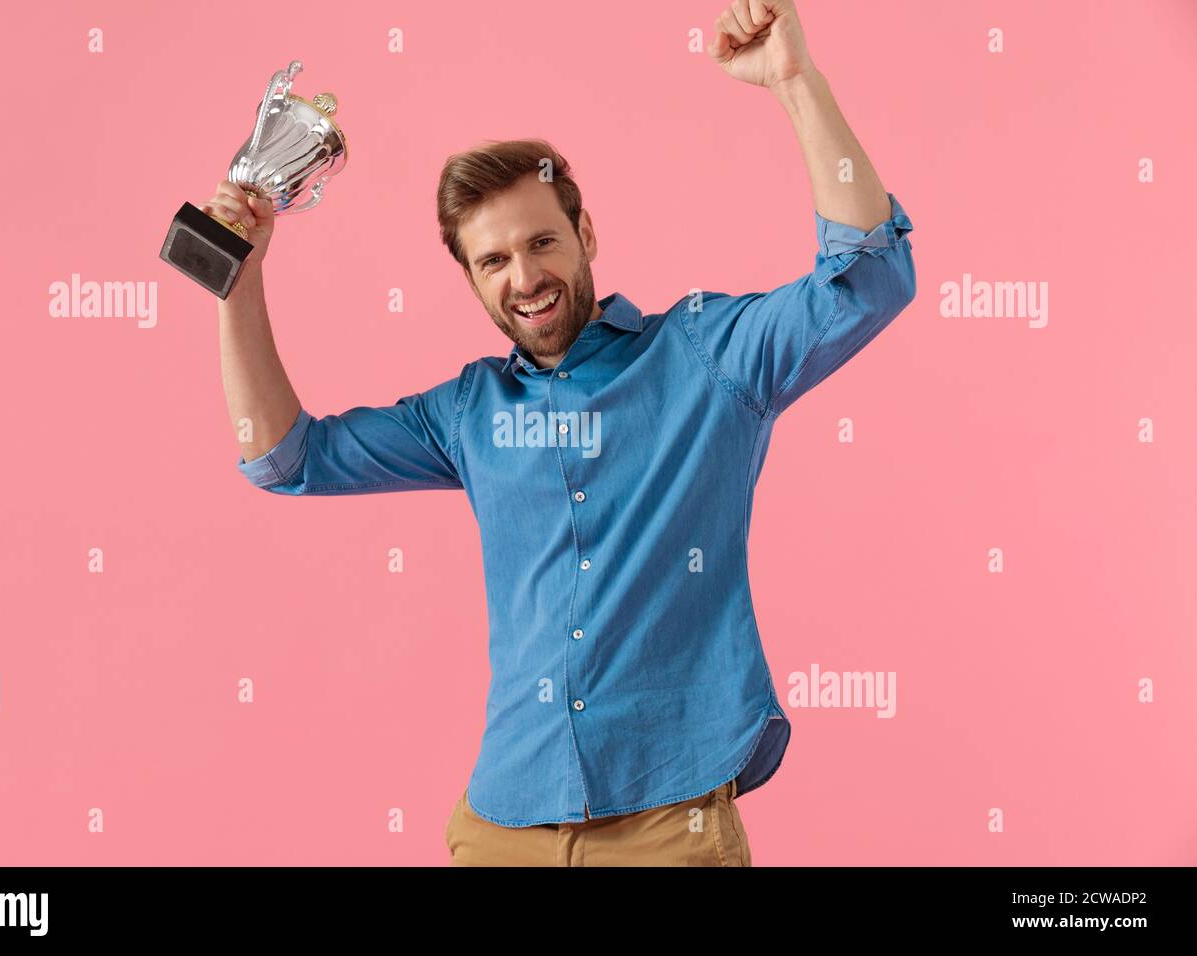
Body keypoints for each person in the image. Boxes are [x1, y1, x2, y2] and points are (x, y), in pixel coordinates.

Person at [205, 0, 915, 866]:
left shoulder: (704, 356)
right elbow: (286, 458)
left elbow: (869, 279)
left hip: (666, 825)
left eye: (543, 242)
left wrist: (795, 83)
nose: (526, 278)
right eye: (494, 261)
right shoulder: (468, 414)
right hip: (502, 823)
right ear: (469, 279)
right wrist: (238, 281)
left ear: (585, 234)